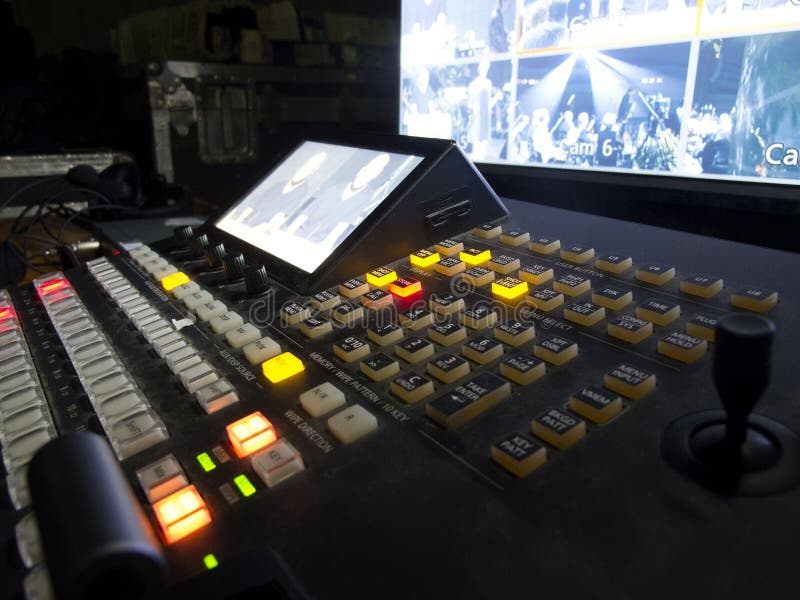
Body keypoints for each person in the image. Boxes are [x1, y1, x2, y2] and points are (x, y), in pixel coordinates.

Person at [467, 60, 493, 161]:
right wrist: (472, 111)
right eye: (483, 67)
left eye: (486, 68)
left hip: (486, 119)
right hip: (477, 119)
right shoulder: (473, 85)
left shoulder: (488, 83)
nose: (484, 70)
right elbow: (470, 104)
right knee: (476, 152)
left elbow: (489, 104)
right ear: (479, 68)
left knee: (483, 151)